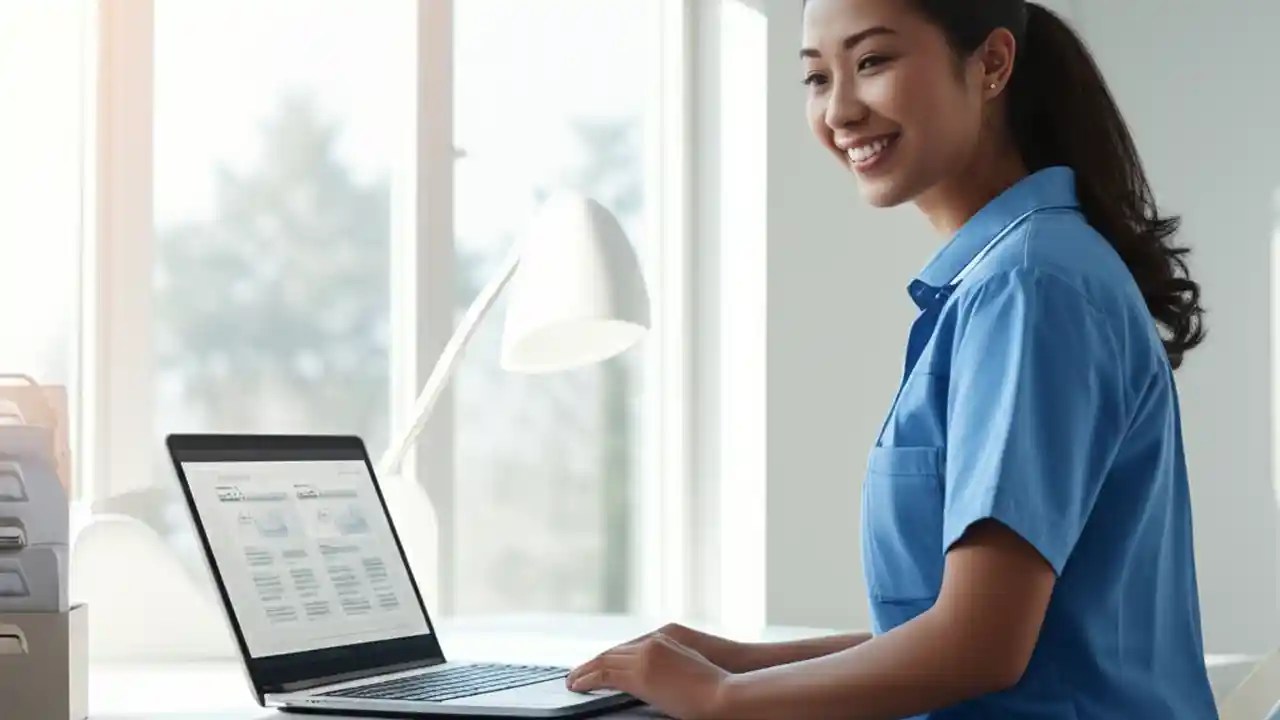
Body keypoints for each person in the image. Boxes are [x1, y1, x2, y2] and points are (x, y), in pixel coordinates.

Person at [566, 0, 1218, 718]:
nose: (840, 110)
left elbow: (980, 645)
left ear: (992, 64)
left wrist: (723, 697)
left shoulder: (1029, 286)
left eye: (873, 62)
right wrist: (739, 661)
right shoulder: (1013, 277)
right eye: (817, 77)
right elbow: (983, 635)